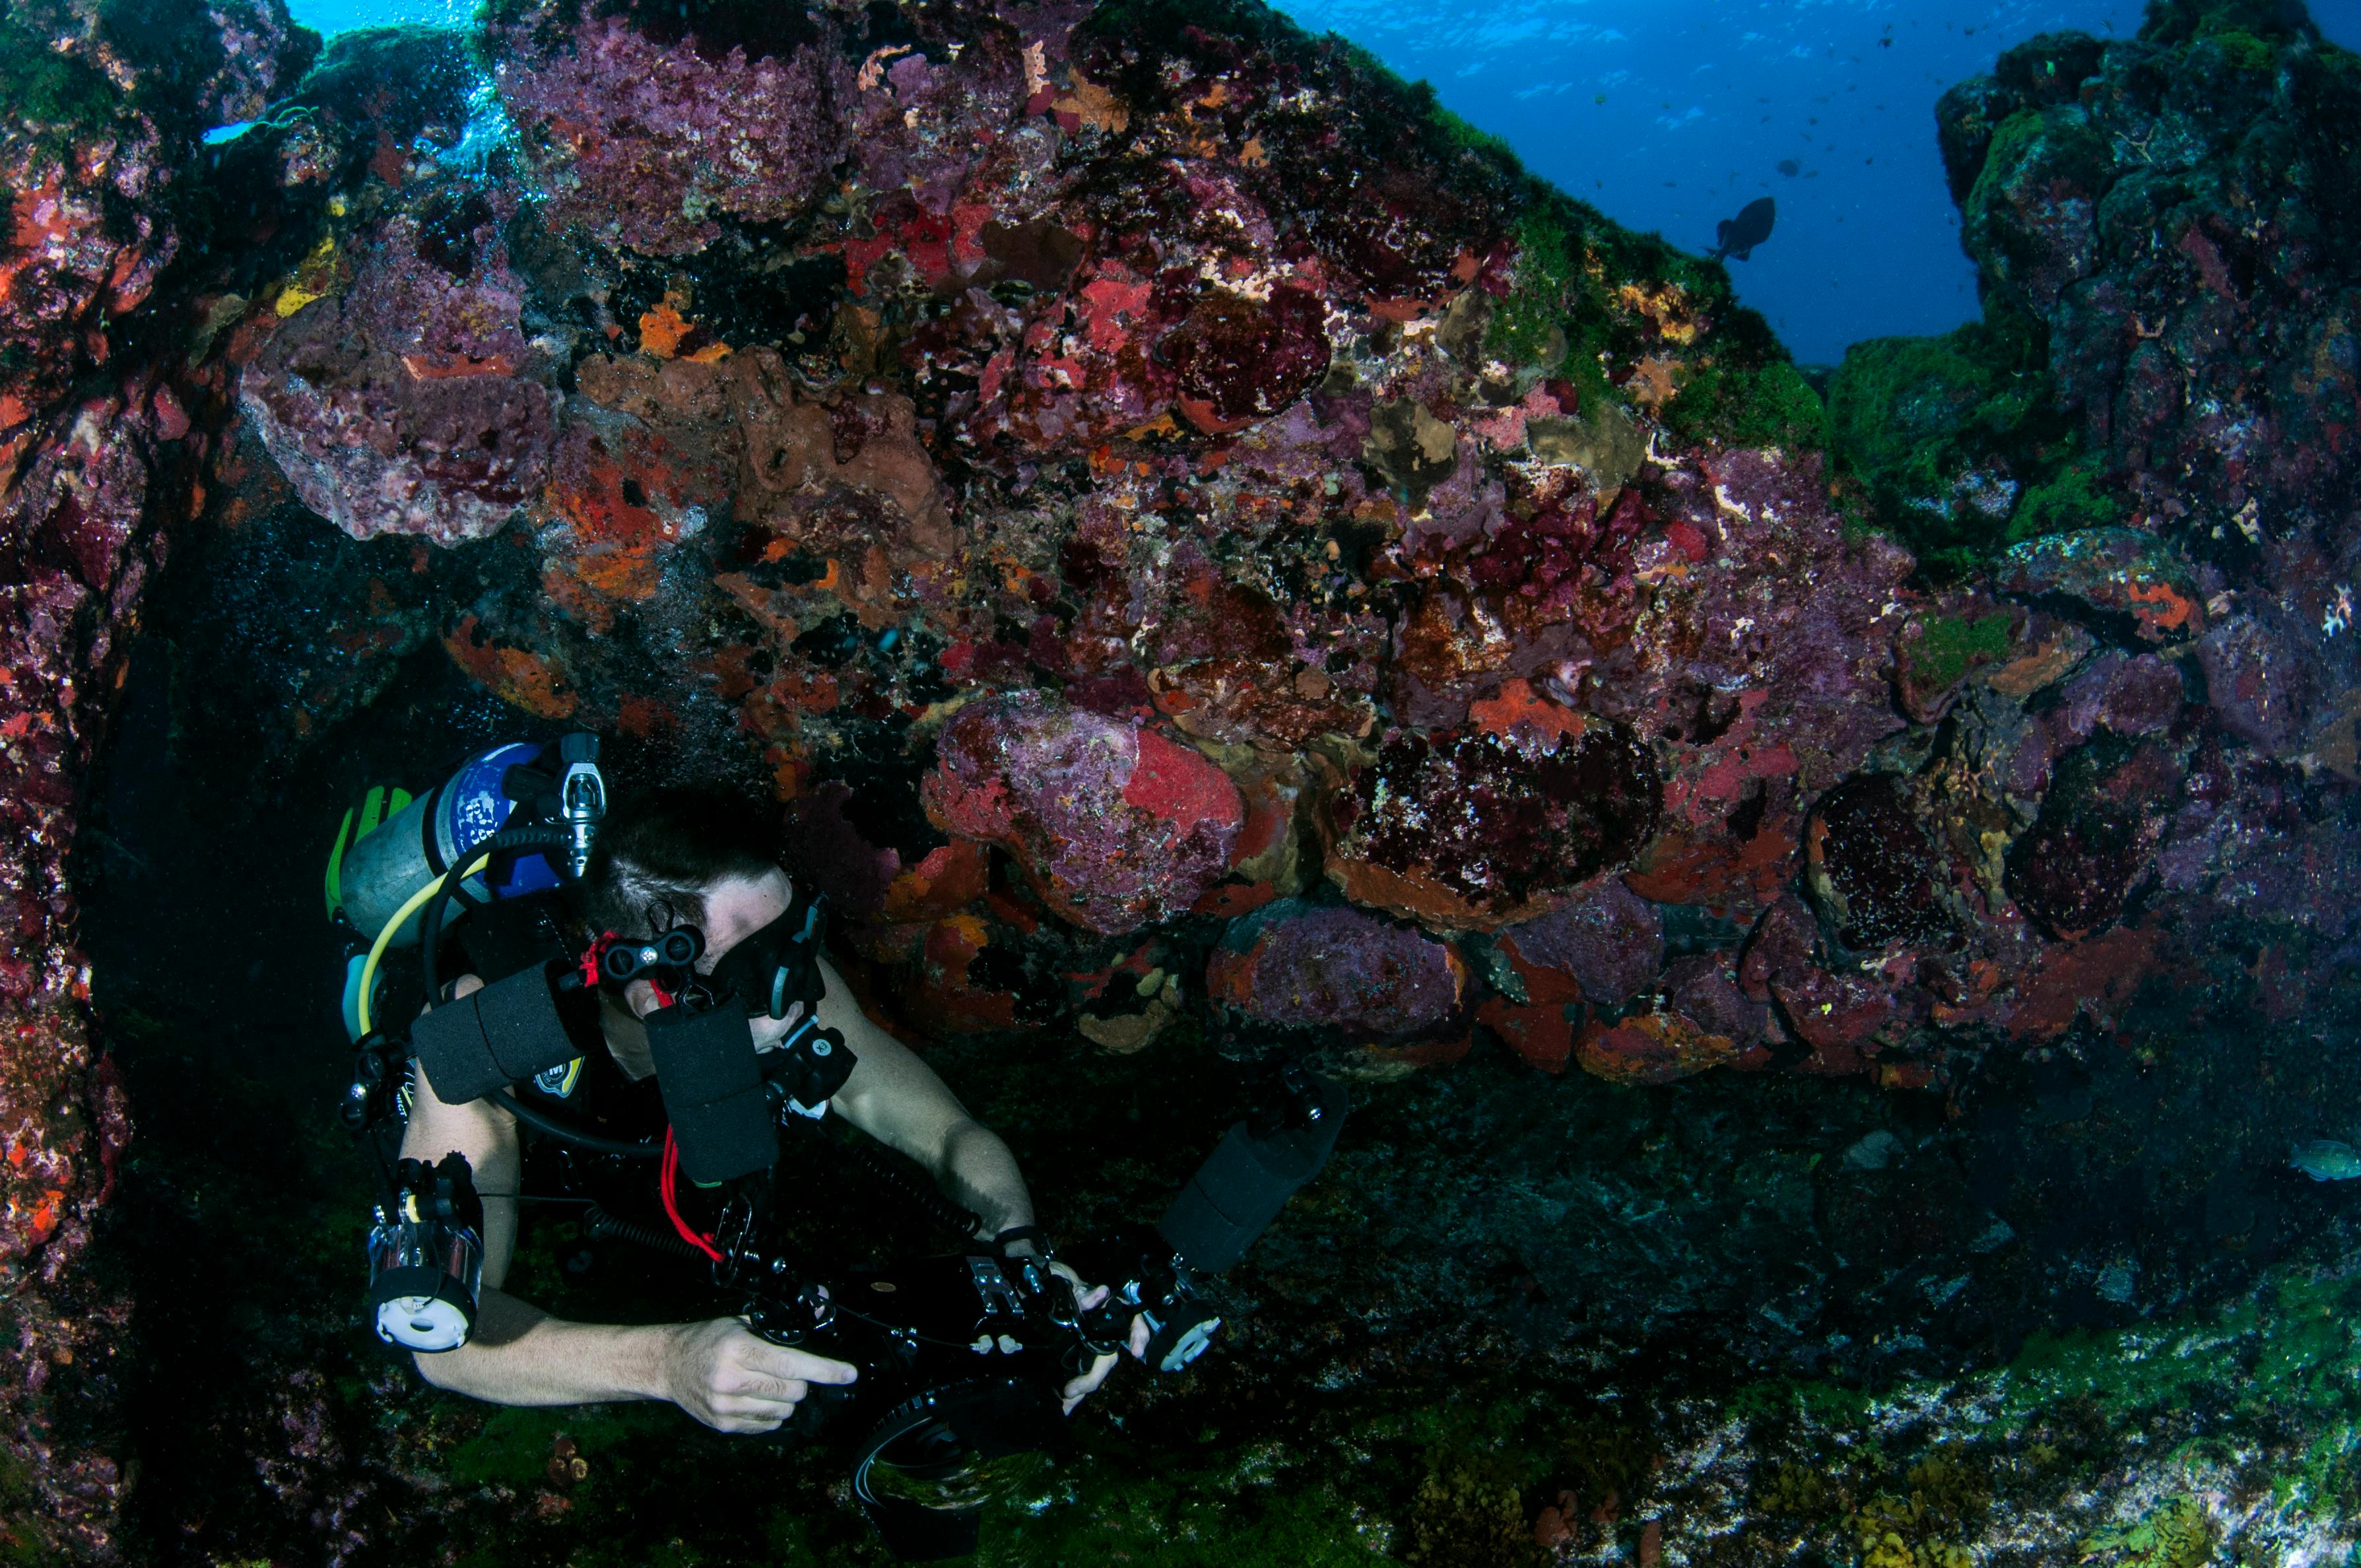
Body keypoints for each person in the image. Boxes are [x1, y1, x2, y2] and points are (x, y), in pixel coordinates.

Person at [397, 784, 1144, 1433]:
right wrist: (667, 1364)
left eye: (794, 937)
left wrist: (1022, 1262)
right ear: (649, 988)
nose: (799, 987)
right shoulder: (485, 1048)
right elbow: (445, 1340)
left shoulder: (792, 988)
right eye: (756, 965)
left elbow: (949, 1135)